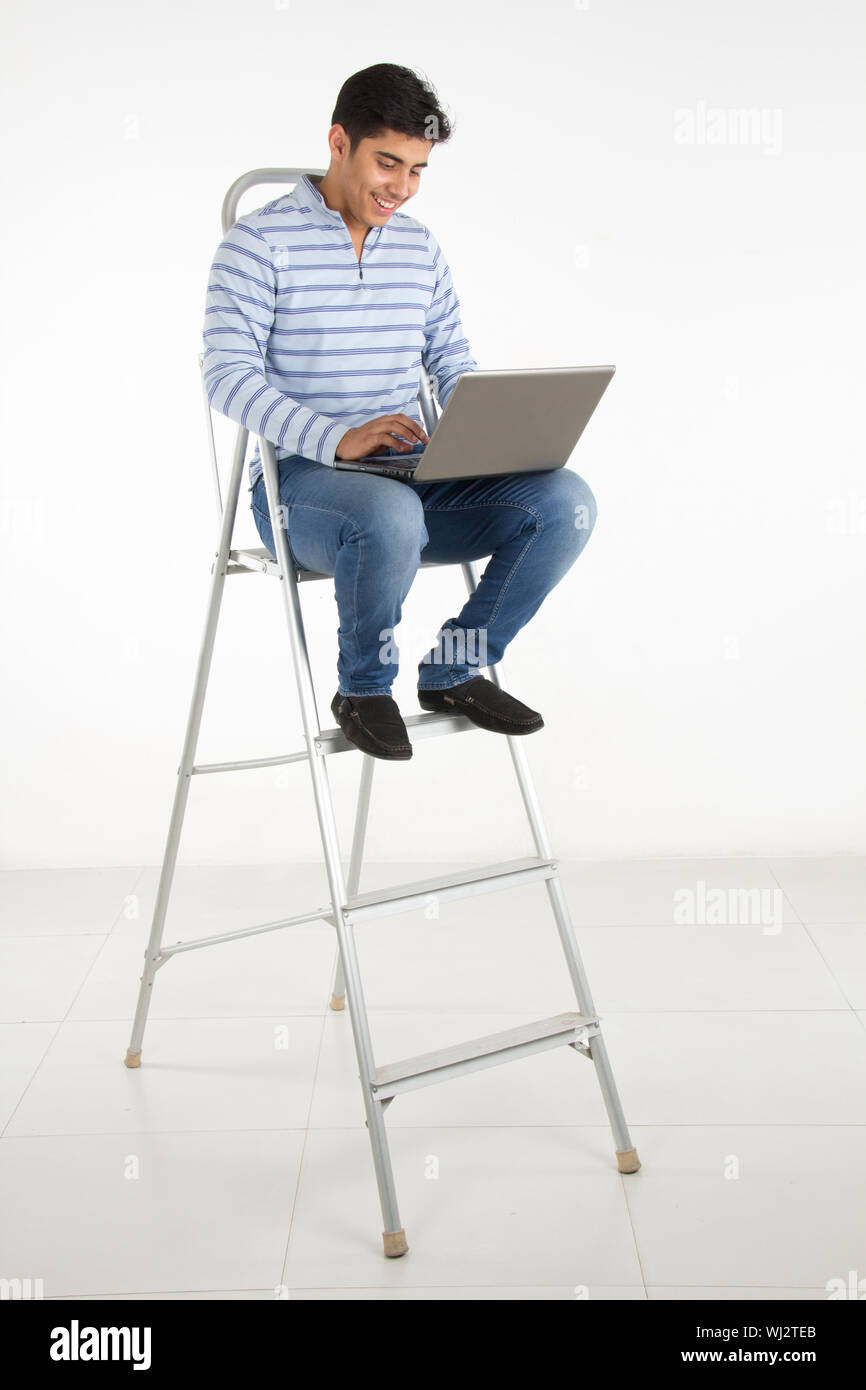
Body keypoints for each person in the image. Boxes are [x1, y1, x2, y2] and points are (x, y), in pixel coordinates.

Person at [202, 62, 597, 760]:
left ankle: (453, 669)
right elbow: (227, 377)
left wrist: (487, 429)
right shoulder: (257, 245)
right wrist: (337, 438)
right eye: (388, 163)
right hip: (302, 491)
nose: (402, 188)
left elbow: (450, 358)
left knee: (563, 502)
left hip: (414, 479)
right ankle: (362, 687)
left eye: (417, 170)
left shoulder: (418, 248)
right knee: (388, 516)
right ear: (338, 143)